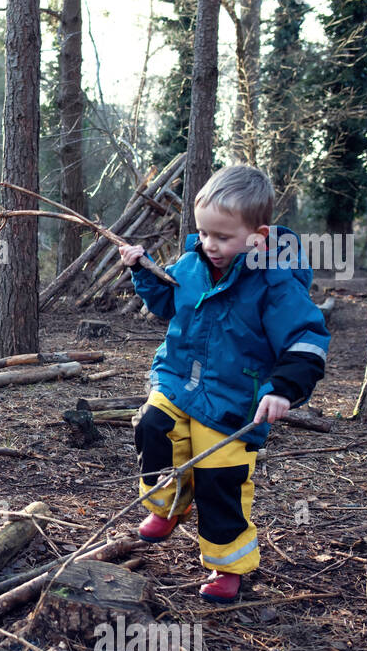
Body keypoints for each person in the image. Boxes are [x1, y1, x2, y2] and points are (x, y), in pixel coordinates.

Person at [117, 165, 330, 603]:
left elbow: (306, 339)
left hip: (236, 398)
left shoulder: (274, 282)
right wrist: (142, 270)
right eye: (203, 233)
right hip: (178, 381)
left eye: (222, 237)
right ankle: (168, 506)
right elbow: (165, 301)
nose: (209, 245)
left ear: (258, 236)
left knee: (220, 480)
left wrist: (282, 387)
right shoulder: (193, 264)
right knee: (152, 426)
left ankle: (226, 565)